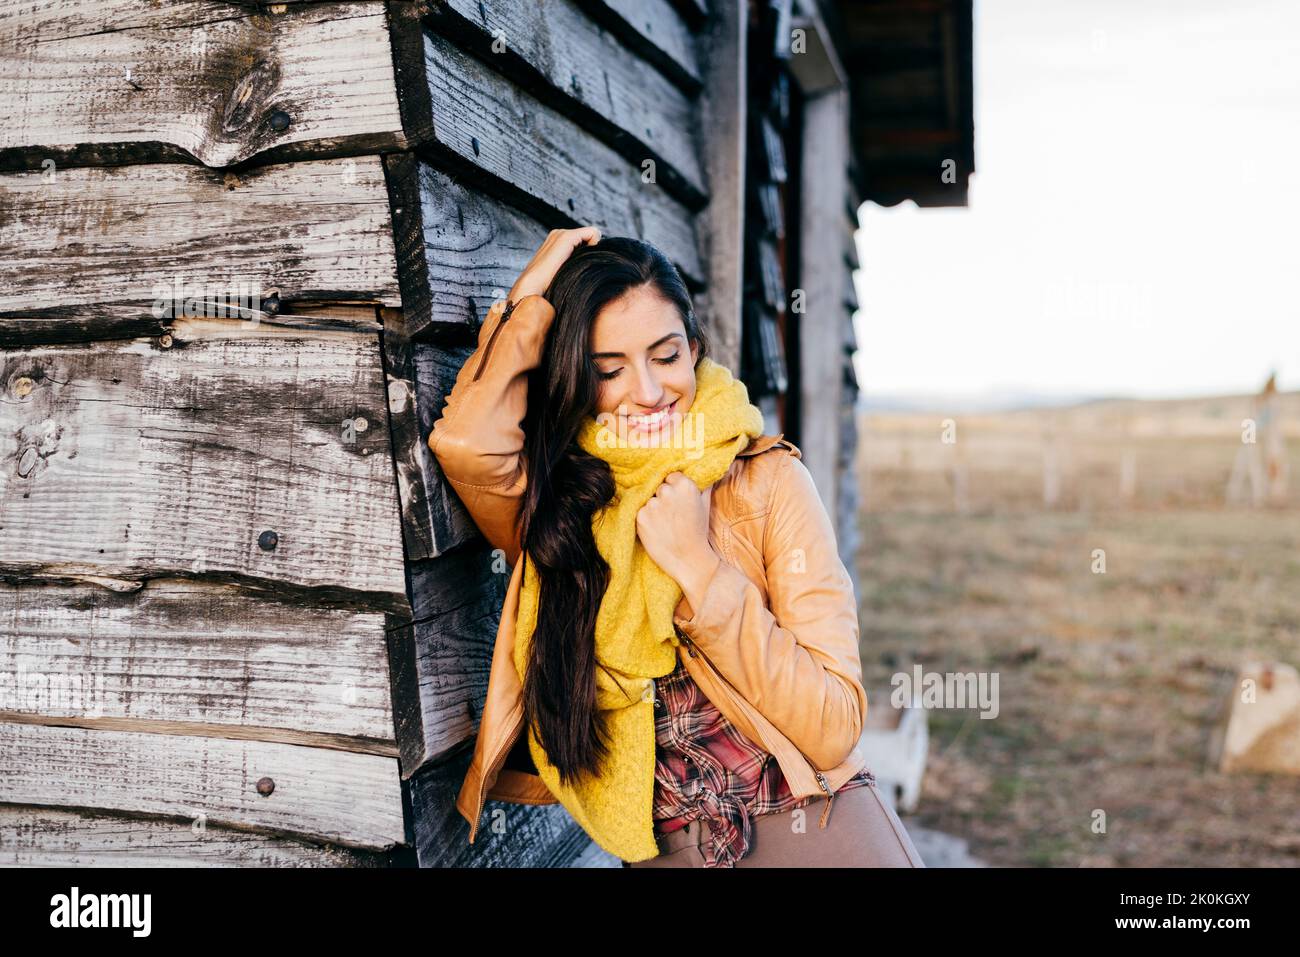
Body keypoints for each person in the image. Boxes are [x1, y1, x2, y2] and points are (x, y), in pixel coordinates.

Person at [429, 227, 925, 868]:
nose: (648, 392)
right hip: (662, 848)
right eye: (607, 370)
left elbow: (833, 724)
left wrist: (701, 570)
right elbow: (467, 444)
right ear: (574, 378)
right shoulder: (563, 497)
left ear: (694, 350)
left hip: (808, 825)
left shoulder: (767, 482)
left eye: (665, 357)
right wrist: (530, 298)